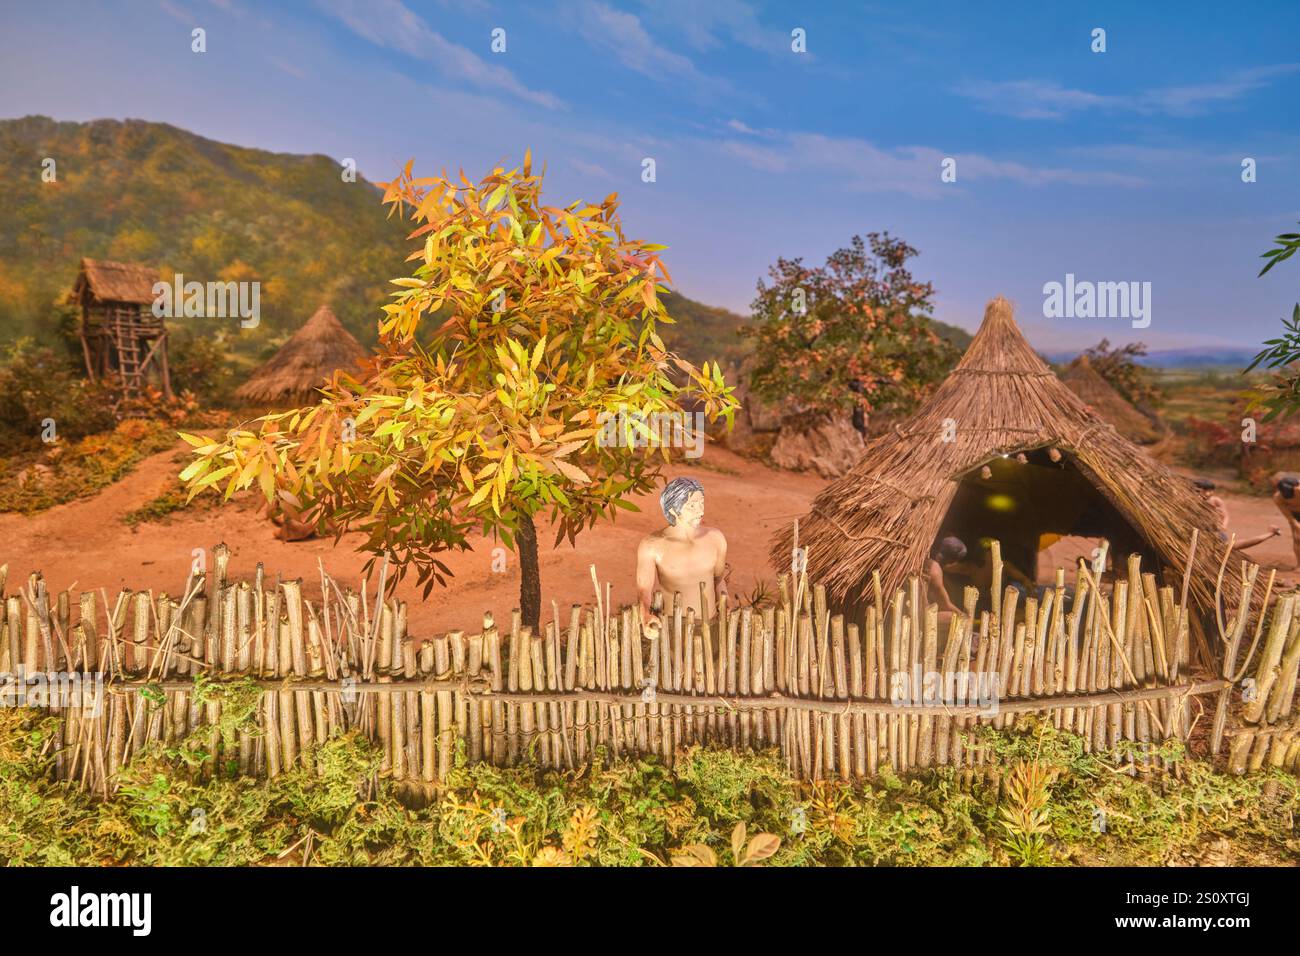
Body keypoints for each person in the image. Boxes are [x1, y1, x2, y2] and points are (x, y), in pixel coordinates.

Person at [636, 477, 728, 638]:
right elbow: (644, 591)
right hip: (674, 628)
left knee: (713, 663)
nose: (700, 511)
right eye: (691, 506)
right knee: (674, 663)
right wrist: (645, 616)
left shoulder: (716, 538)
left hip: (711, 625)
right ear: (673, 509)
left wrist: (725, 605)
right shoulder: (652, 546)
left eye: (701, 503)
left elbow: (718, 580)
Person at [1193, 478, 1279, 553]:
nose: (1208, 494)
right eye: (1205, 491)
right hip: (1203, 532)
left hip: (1216, 531)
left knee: (1231, 546)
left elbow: (1225, 515)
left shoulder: (1215, 501)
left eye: (1210, 491)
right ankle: (1270, 534)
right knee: (1231, 546)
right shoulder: (1193, 501)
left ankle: (1270, 534)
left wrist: (1224, 525)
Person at [1272, 474, 1300, 566]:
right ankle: (1299, 565)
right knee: (1297, 538)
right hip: (1295, 515)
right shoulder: (1278, 498)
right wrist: (1296, 525)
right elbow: (1290, 517)